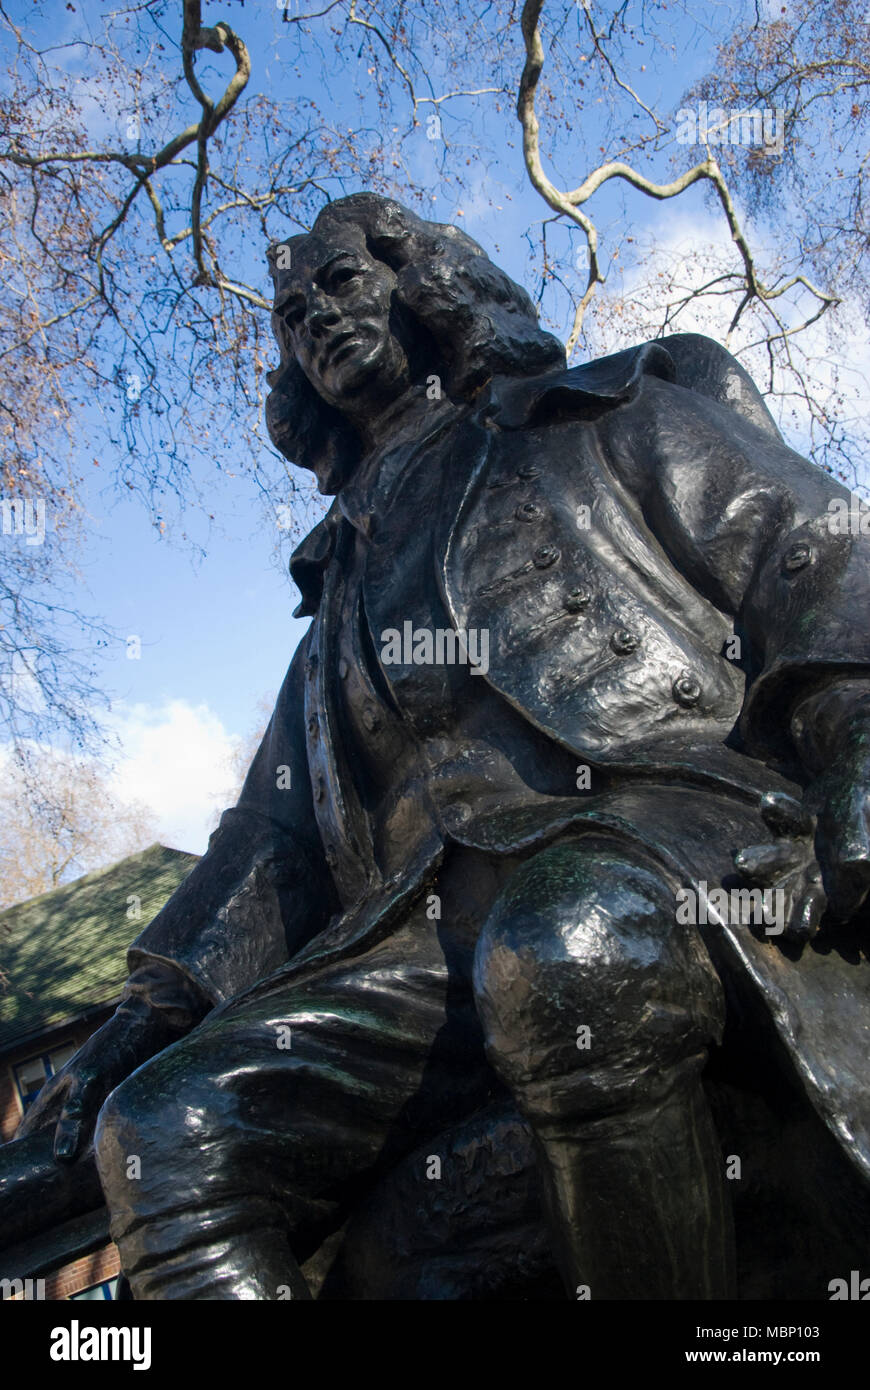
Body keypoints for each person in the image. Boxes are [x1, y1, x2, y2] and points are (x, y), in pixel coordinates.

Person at [14, 193, 870, 1299]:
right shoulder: (337, 590)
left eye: (339, 282)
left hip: (662, 847)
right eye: (287, 313)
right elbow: (267, 840)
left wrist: (857, 753)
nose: (312, 318)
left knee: (563, 940)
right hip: (413, 942)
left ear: (424, 283)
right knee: (164, 1130)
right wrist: (126, 1032)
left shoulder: (595, 416)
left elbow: (812, 550)